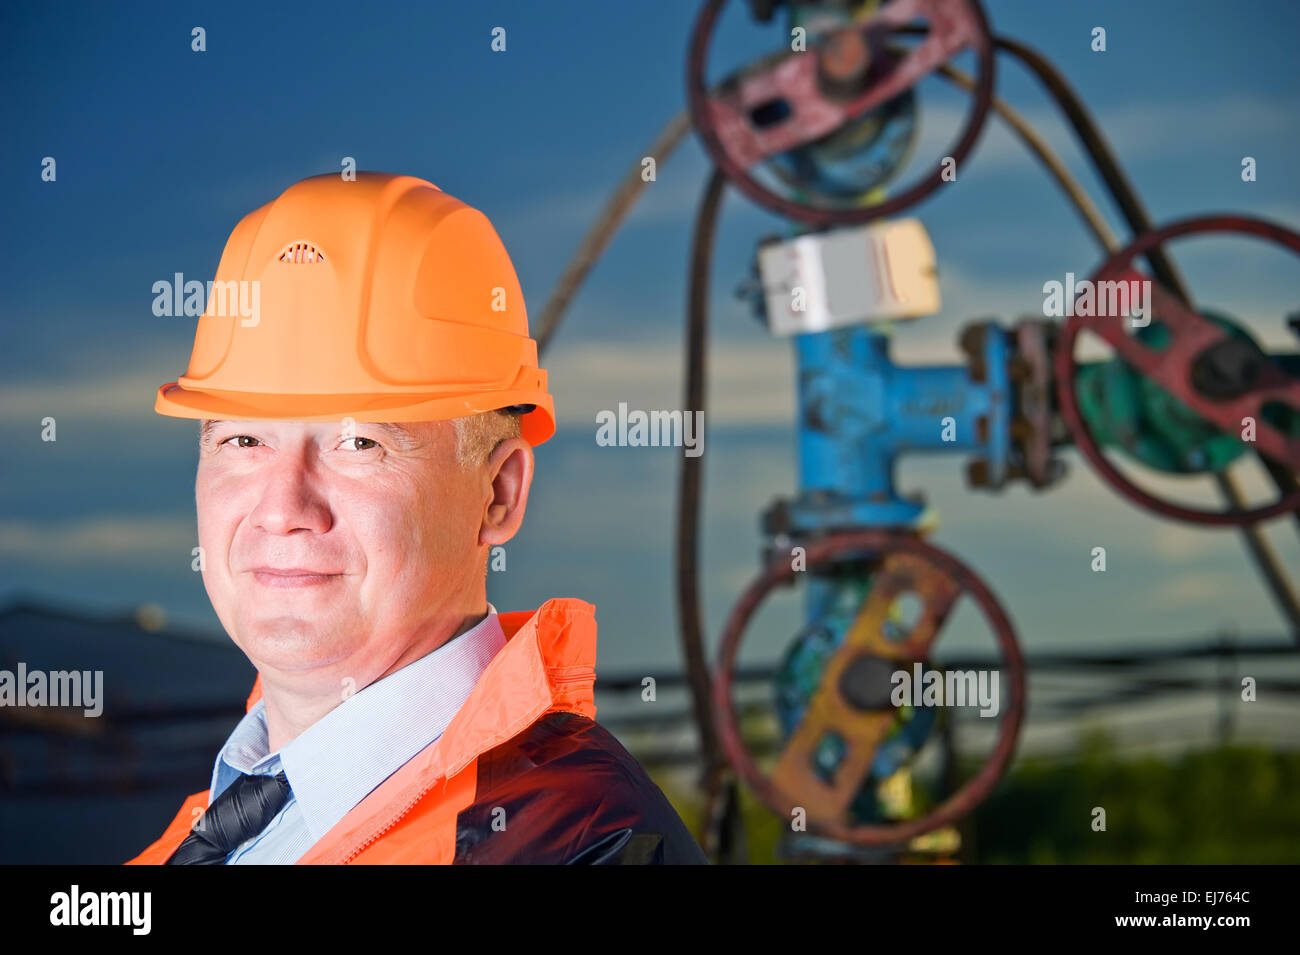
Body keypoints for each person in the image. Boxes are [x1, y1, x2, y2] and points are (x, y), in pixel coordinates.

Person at [127, 172, 708, 865]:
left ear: (499, 492)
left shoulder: (580, 842)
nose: (283, 508)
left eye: (359, 443)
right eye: (242, 440)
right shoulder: (229, 820)